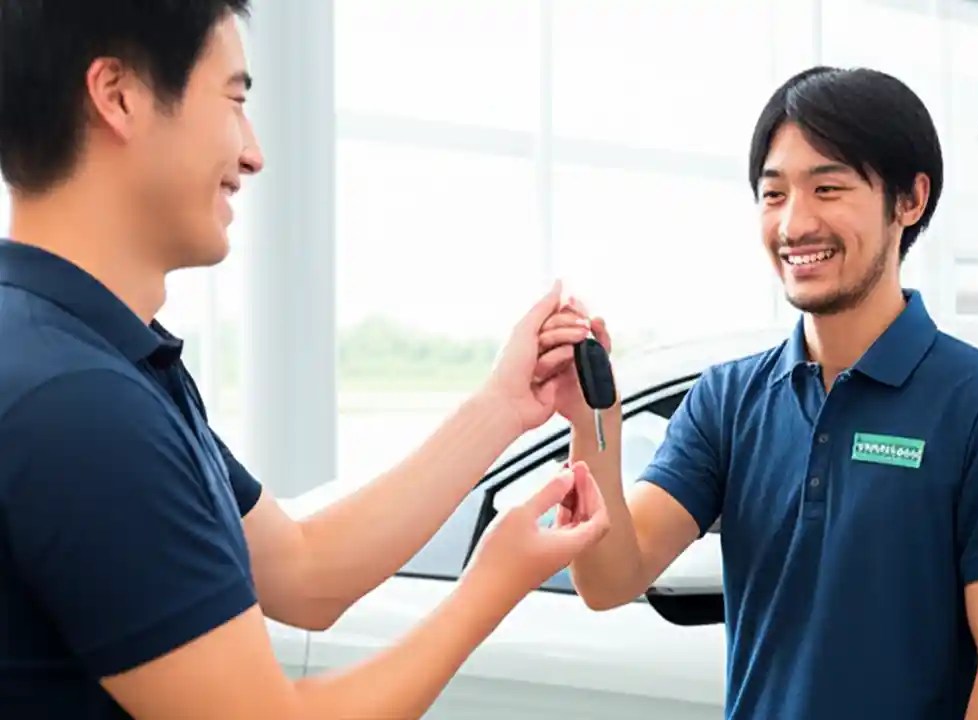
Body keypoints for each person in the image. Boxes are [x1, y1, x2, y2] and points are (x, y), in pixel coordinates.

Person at [0, 2, 609, 719]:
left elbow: (305, 571)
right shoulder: (80, 405)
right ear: (121, 96)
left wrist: (501, 410)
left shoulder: (93, 358)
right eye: (233, 100)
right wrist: (491, 586)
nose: (253, 153)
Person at [538, 66, 978, 719]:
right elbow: (611, 578)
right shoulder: (727, 401)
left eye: (828, 188)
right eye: (774, 194)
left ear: (909, 200)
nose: (795, 223)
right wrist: (593, 427)